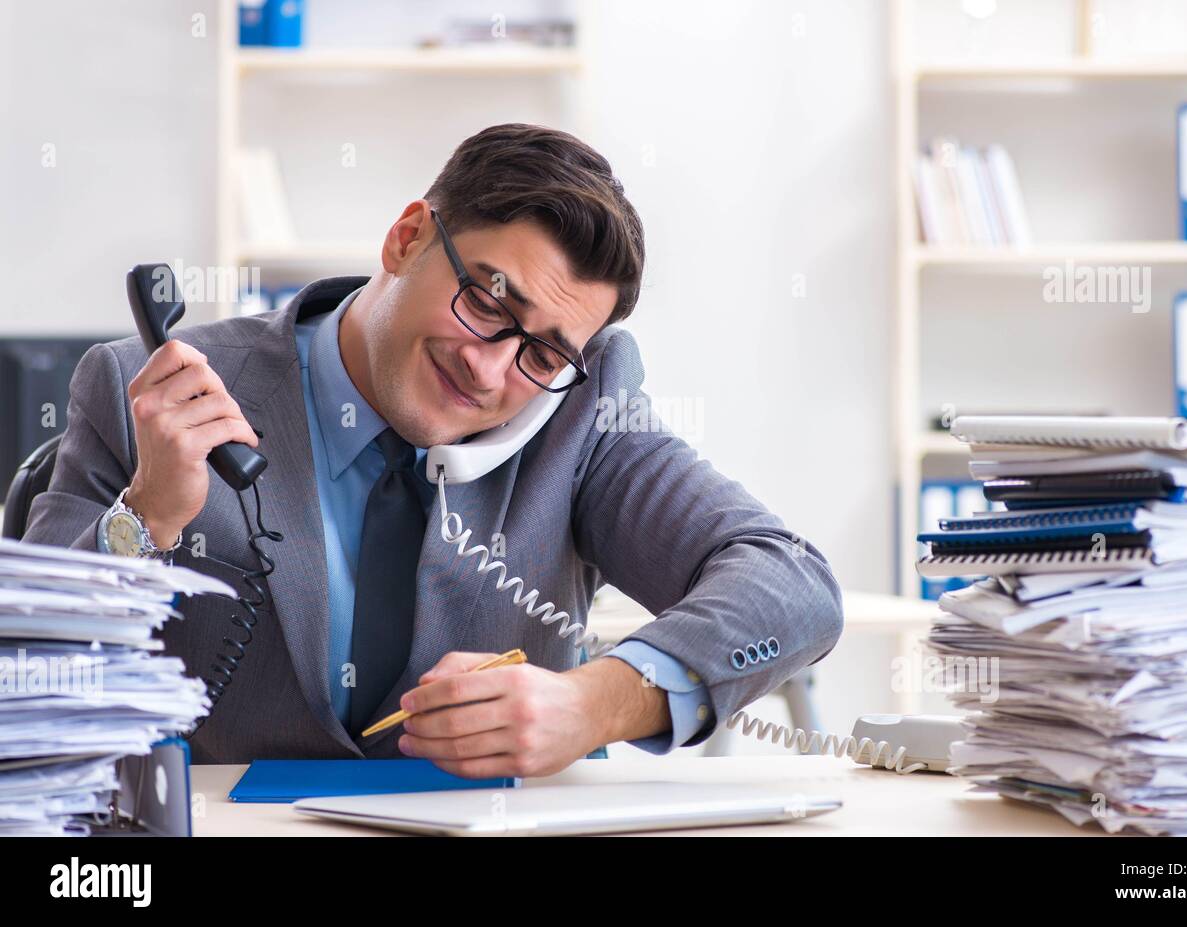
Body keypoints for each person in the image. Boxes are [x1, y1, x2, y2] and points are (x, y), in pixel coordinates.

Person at [24, 123, 843, 775]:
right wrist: (150, 516)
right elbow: (30, 666)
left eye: (545, 351)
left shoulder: (579, 413)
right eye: (488, 298)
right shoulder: (143, 383)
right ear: (407, 237)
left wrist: (599, 703)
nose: (489, 368)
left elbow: (793, 585)